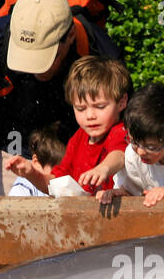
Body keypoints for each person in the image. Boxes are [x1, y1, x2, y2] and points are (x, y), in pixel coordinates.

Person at [0, 0, 120, 195]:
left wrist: (102, 167)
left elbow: (118, 130)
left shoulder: (101, 54)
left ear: (70, 36)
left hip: (79, 151)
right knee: (8, 224)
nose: (32, 69)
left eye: (46, 57)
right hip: (10, 150)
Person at [8, 56, 129, 196]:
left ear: (121, 102)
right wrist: (32, 174)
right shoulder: (78, 138)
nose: (90, 115)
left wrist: (104, 169)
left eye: (100, 107)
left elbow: (120, 155)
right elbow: (55, 185)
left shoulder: (120, 131)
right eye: (81, 108)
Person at [5, 123, 66, 196]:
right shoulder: (24, 188)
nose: (64, 177)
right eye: (58, 171)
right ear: (37, 163)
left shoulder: (70, 184)